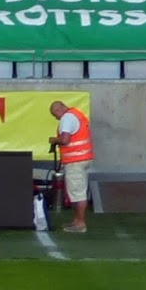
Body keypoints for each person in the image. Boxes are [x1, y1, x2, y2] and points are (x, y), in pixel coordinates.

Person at [48, 97, 93, 232]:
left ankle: (80, 223)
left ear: (58, 109)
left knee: (77, 192)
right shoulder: (77, 115)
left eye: (54, 114)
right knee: (77, 191)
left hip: (75, 161)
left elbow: (65, 140)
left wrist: (54, 140)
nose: (56, 118)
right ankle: (77, 220)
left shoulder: (67, 118)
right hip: (83, 158)